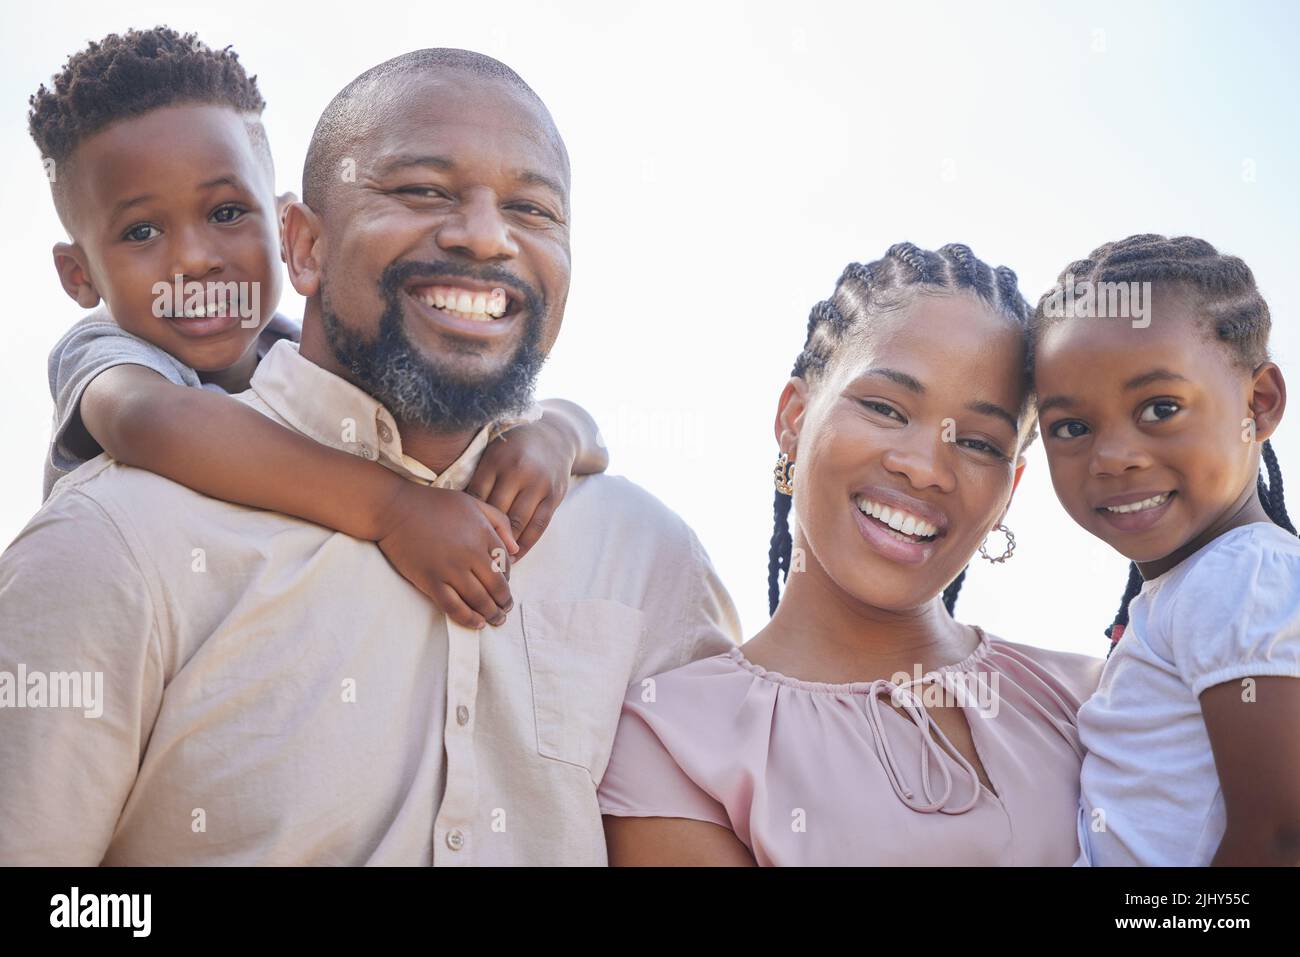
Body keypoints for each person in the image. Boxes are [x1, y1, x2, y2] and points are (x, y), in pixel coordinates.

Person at [0, 47, 739, 866]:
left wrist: (561, 430)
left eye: (532, 208)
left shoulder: (647, 559)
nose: (485, 236)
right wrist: (392, 508)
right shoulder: (116, 524)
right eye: (423, 190)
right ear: (306, 246)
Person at [29, 27, 607, 629]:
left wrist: (555, 436)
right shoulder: (102, 352)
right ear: (78, 275)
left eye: (227, 213)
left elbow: (590, 434)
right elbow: (152, 423)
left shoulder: (285, 347)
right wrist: (396, 509)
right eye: (142, 232)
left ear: (287, 231)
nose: (195, 258)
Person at [598, 243, 1102, 865]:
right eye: (885, 408)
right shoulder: (673, 741)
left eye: (977, 442)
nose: (924, 468)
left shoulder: (1093, 701)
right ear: (794, 417)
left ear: (1010, 490)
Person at [1030, 234, 1299, 866]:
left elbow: (1284, 831)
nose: (1114, 457)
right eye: (1072, 427)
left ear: (1258, 404)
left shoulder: (1243, 573)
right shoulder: (1193, 588)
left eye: (1160, 407)